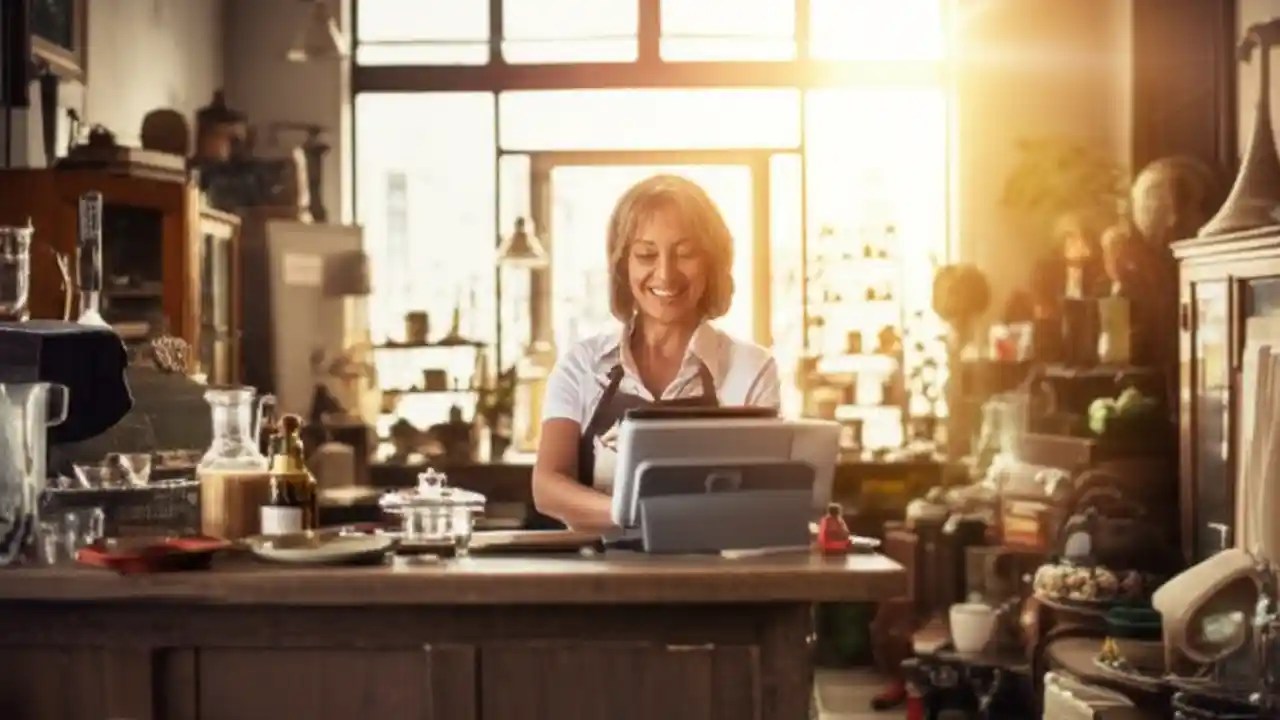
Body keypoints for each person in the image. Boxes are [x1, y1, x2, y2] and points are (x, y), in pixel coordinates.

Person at [532, 174, 780, 531]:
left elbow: (761, 497)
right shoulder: (582, 365)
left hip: (715, 579)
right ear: (623, 265)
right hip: (599, 578)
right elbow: (548, 486)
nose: (665, 274)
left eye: (685, 253)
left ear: (711, 262)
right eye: (646, 254)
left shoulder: (752, 368)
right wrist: (634, 514)